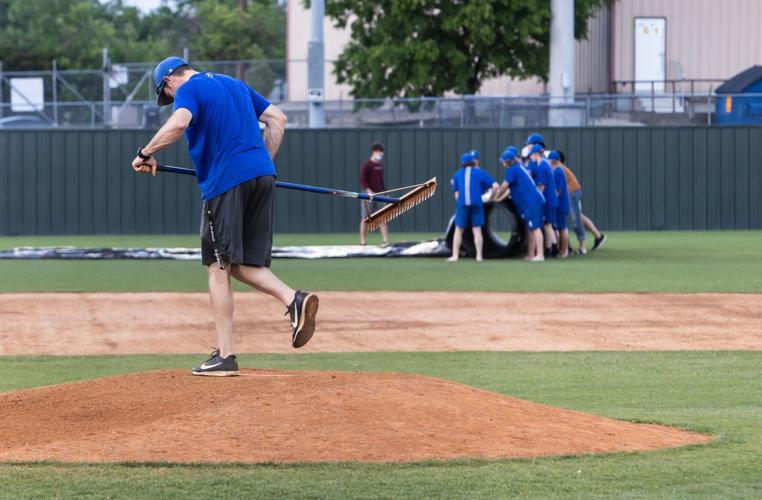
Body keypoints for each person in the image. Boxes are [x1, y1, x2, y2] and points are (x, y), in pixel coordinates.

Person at [131, 56, 319, 377]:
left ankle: (225, 356)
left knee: (217, 266)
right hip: (262, 175)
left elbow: (178, 123)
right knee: (242, 264)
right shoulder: (235, 84)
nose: (171, 99)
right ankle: (293, 299)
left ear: (170, 81)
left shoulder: (189, 89)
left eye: (167, 95)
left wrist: (145, 153)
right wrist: (258, 165)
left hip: (224, 183)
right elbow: (278, 119)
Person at [495, 146, 545, 261]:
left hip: (531, 202)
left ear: (507, 161)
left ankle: (540, 255)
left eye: (503, 160)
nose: (502, 162)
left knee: (535, 228)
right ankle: (531, 254)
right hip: (530, 202)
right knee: (531, 229)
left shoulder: (512, 170)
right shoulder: (518, 168)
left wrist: (495, 196)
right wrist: (499, 199)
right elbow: (509, 189)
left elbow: (504, 186)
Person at [448, 152, 499, 262]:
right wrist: (492, 198)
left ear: (462, 163)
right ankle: (479, 256)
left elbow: (456, 193)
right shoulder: (480, 172)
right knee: (477, 229)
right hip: (477, 202)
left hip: (462, 203)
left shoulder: (457, 174)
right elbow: (495, 186)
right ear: (473, 162)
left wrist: (461, 201)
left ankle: (455, 256)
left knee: (459, 229)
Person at [556, 150, 606, 253]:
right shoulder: (558, 166)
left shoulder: (559, 167)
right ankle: (598, 236)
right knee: (579, 216)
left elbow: (561, 186)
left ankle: (582, 247)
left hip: (572, 192)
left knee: (576, 219)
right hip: (573, 191)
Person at [527, 143, 559, 257]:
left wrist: (533, 197)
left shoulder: (542, 167)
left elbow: (541, 187)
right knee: (547, 225)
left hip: (548, 199)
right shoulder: (544, 164)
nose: (530, 157)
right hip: (550, 199)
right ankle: (549, 248)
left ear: (536, 154)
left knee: (547, 225)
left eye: (531, 155)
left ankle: (554, 248)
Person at [359, 142, 389, 246]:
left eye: (382, 152)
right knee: (365, 218)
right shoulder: (367, 165)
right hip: (368, 195)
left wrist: (385, 192)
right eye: (380, 152)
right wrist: (368, 190)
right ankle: (362, 241)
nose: (381, 154)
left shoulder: (380, 166)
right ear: (374, 152)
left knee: (382, 217)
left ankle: (385, 241)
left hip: (380, 194)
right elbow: (362, 180)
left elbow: (381, 181)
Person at [548, 151, 571, 258]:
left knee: (562, 227)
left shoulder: (557, 172)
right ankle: (562, 250)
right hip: (561, 203)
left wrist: (552, 200)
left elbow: (558, 190)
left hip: (560, 204)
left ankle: (564, 251)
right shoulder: (558, 171)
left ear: (553, 160)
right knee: (560, 227)